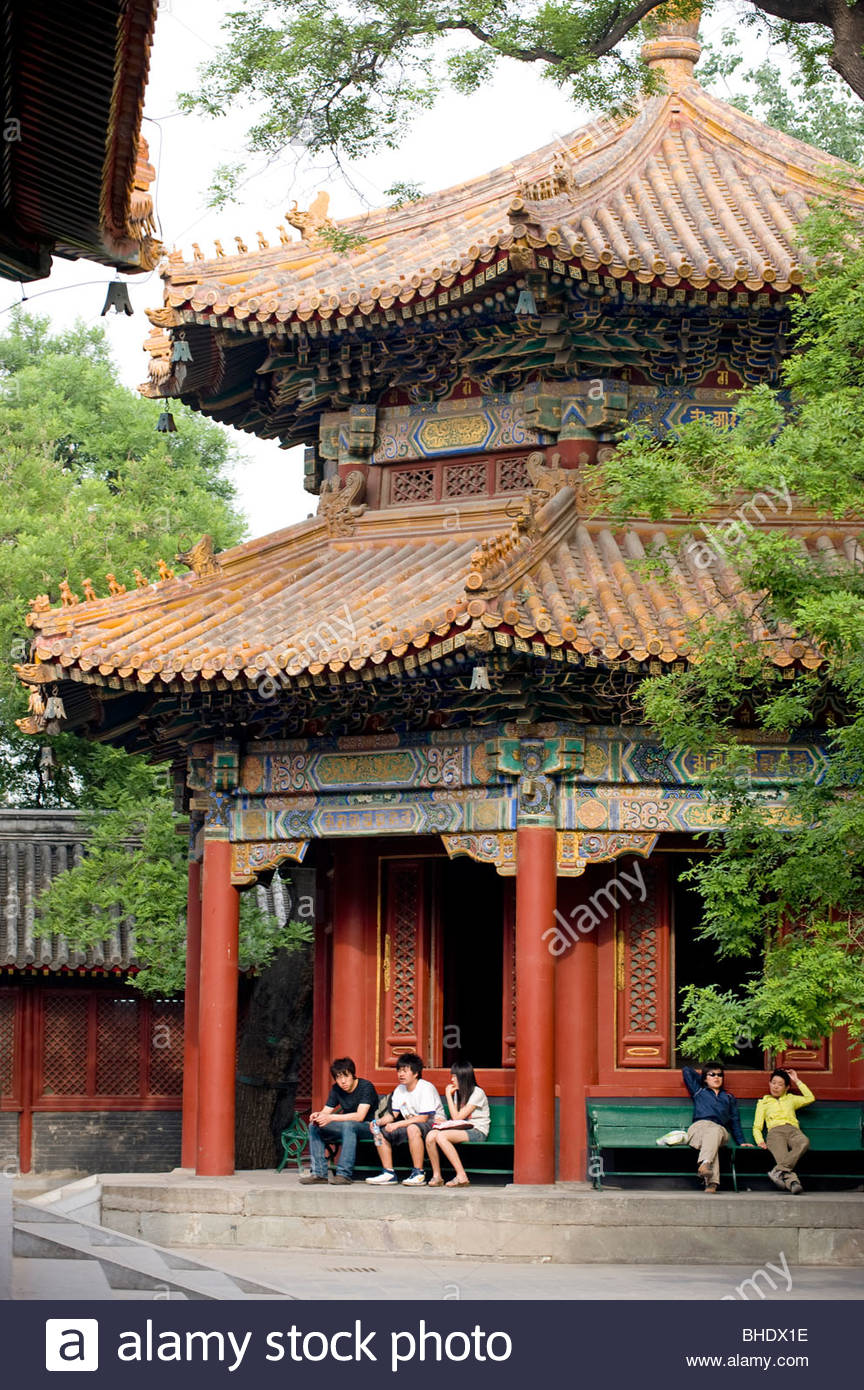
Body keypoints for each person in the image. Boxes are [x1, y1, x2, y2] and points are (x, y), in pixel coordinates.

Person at [365, 1052, 444, 1186]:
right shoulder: (400, 1089)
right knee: (379, 1132)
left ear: (416, 1073)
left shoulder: (425, 1087)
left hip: (434, 1123)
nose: (401, 1074)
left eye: (405, 1071)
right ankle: (388, 1173)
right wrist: (378, 1122)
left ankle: (418, 1173)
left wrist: (397, 1125)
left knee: (412, 1129)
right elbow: (392, 1115)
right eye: (399, 1071)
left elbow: (424, 1118)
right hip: (411, 1123)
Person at [300, 1057, 378, 1185]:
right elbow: (327, 1111)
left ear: (353, 1074)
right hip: (348, 1127)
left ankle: (343, 1174)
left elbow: (360, 1116)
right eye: (338, 1077)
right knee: (314, 1126)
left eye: (346, 1076)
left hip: (369, 1127)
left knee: (349, 1125)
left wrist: (331, 1118)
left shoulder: (366, 1086)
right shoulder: (336, 1089)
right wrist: (318, 1116)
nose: (343, 1081)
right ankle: (319, 1174)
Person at [682, 1062, 751, 1192]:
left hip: (719, 1130)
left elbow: (735, 1121)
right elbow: (686, 1071)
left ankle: (706, 1164)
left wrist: (741, 1142)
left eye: (720, 1075)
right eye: (712, 1074)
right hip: (698, 1129)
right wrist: (703, 1080)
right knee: (711, 1139)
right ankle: (711, 1182)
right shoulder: (699, 1091)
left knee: (714, 1131)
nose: (716, 1077)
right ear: (705, 1078)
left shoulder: (729, 1097)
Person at [425, 1061, 490, 1187]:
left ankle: (461, 1176)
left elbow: (457, 1116)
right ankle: (437, 1176)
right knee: (431, 1135)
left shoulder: (477, 1092)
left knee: (441, 1136)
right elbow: (456, 1118)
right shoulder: (458, 1093)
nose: (452, 1079)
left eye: (454, 1076)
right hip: (461, 1128)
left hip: (477, 1131)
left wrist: (448, 1096)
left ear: (463, 1077)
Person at [753, 1067, 814, 1194]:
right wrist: (760, 1140)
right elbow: (757, 1126)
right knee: (783, 1157)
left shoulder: (791, 1099)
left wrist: (796, 1080)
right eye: (773, 1083)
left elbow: (810, 1098)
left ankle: (777, 1171)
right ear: (769, 1084)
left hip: (793, 1131)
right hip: (775, 1133)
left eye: (780, 1084)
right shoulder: (763, 1103)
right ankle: (793, 1183)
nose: (775, 1087)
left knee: (804, 1142)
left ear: (786, 1087)